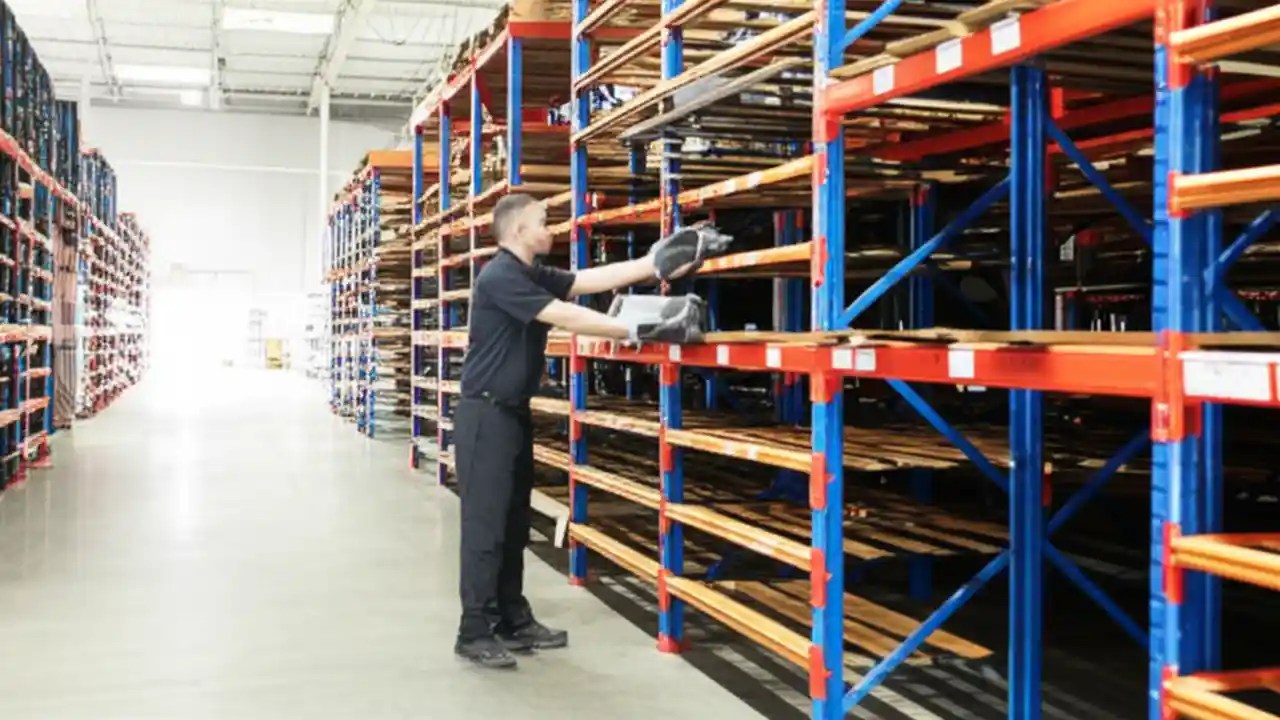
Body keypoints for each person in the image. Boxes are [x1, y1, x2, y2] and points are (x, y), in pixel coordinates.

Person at [453, 193, 728, 668]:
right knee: (486, 528)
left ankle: (512, 621)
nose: (552, 228)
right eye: (544, 221)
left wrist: (652, 261)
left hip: (512, 414)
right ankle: (474, 629)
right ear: (518, 230)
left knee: (514, 524)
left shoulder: (529, 272)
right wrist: (642, 328)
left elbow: (584, 283)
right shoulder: (499, 276)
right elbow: (567, 316)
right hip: (485, 417)